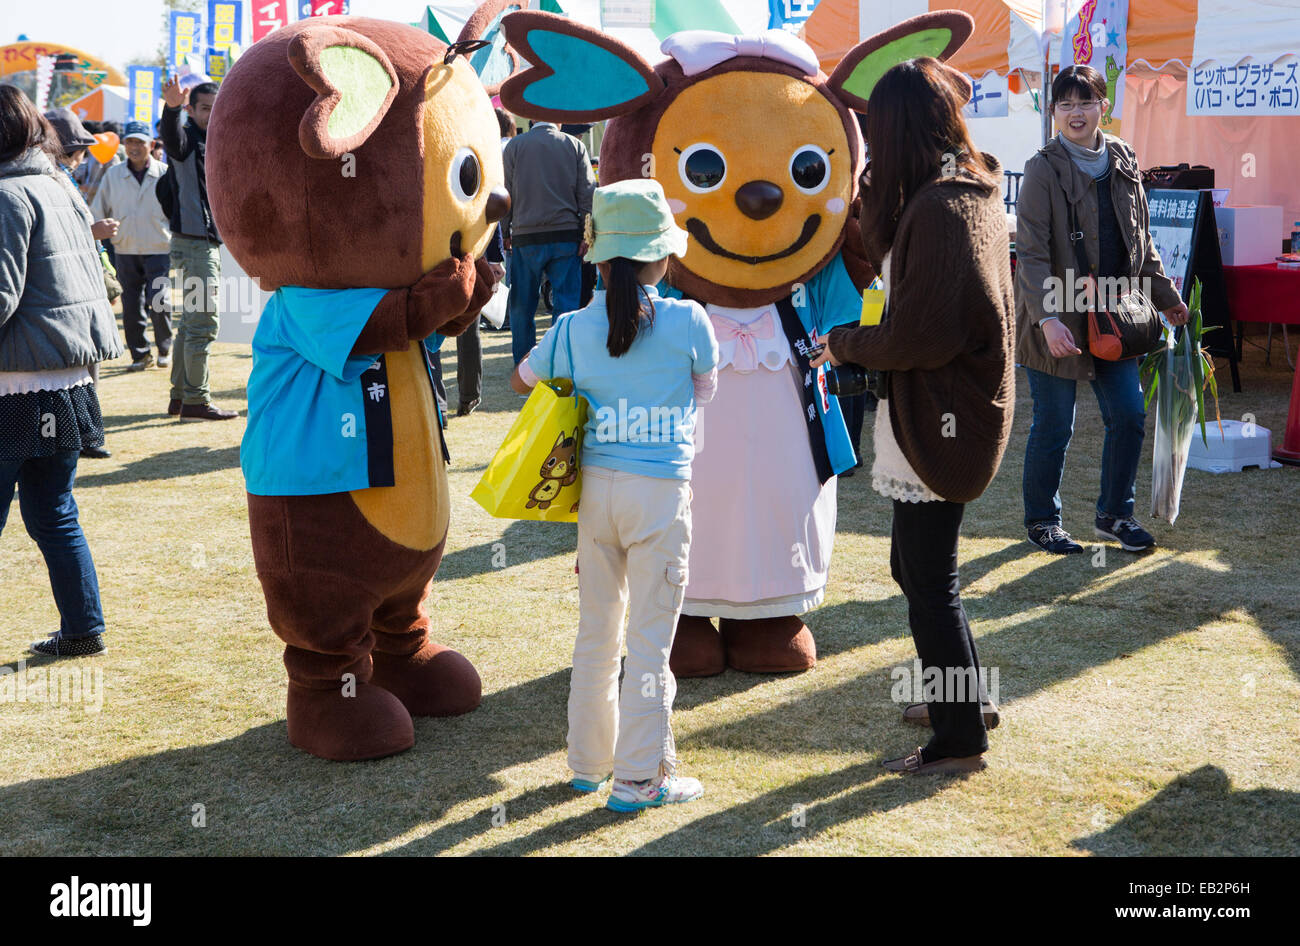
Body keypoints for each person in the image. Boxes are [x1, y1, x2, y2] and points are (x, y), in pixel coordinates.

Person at [811, 58, 1016, 775]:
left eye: (874, 124)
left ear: (897, 127)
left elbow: (919, 335)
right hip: (947, 406)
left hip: (944, 413)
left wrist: (843, 344)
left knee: (929, 578)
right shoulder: (962, 186)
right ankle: (963, 696)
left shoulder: (942, 205)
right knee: (918, 568)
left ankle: (960, 738)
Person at [510, 179, 719, 811]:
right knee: (650, 642)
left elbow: (525, 379)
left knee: (596, 632)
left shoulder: (572, 327)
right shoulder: (689, 320)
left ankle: (588, 764)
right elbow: (706, 393)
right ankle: (636, 781)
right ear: (660, 256)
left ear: (597, 257)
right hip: (659, 494)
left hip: (595, 494)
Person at [1016, 65, 1190, 555]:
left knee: (1130, 417)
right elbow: (1029, 254)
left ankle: (1115, 514)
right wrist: (1047, 320)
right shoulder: (1041, 168)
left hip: (1119, 313)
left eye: (1085, 102)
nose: (1076, 113)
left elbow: (1142, 240)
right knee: (1054, 424)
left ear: (1103, 106)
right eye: (1066, 104)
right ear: (1052, 110)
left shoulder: (1124, 156)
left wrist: (1167, 297)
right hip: (1058, 310)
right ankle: (1042, 522)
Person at [0, 86, 122, 657]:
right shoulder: (58, 183)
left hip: (16, 382)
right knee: (53, 513)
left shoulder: (8, 194)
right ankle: (83, 627)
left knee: (50, 514)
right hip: (65, 379)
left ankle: (83, 628)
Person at [44, 107, 120, 460]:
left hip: (83, 282)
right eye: (78, 150)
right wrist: (93, 232)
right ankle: (80, 434)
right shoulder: (50, 180)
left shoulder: (62, 177)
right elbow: (52, 237)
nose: (81, 157)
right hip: (65, 288)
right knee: (74, 367)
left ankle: (85, 432)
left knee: (87, 362)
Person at [159, 77, 235, 421]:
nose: (211, 114)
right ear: (191, 109)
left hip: (196, 242)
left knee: (190, 325)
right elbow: (172, 138)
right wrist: (172, 108)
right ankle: (196, 401)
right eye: (205, 107)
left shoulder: (213, 139)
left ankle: (180, 397)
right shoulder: (187, 138)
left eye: (215, 107)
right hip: (196, 245)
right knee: (202, 325)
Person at [502, 118, 596, 363]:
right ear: (560, 121)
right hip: (566, 236)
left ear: (531, 120)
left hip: (525, 235)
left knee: (522, 306)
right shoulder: (575, 146)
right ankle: (561, 362)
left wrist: (504, 232)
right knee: (566, 305)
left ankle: (524, 366)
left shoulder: (514, 146)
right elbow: (587, 193)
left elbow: (505, 192)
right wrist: (587, 234)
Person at [92, 120, 172, 372]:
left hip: (159, 247)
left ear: (151, 144)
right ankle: (140, 354)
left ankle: (165, 348)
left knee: (159, 301)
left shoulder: (165, 172)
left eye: (139, 142)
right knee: (131, 305)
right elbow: (97, 212)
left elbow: (176, 212)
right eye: (129, 142)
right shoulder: (113, 175)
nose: (134, 147)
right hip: (125, 248)